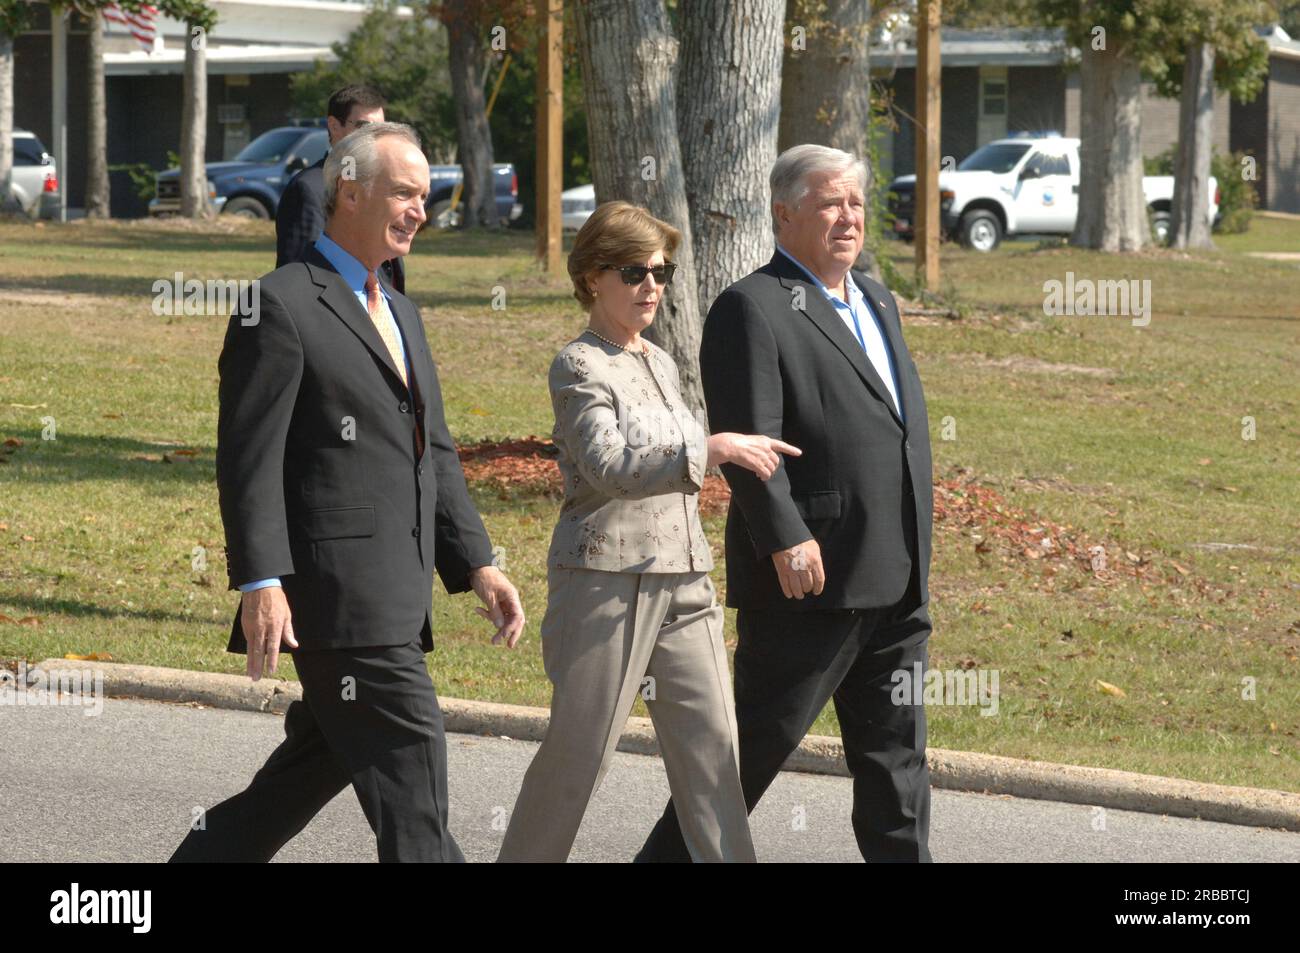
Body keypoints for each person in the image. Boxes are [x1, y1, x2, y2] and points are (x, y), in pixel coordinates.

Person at [170, 122, 524, 863]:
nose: (420, 210)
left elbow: (435, 452)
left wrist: (477, 561)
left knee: (300, 780)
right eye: (404, 192)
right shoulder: (281, 302)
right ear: (351, 192)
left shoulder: (401, 308)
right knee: (414, 781)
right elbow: (247, 459)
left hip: (397, 591)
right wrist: (260, 578)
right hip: (337, 600)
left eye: (425, 196)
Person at [636, 144, 936, 863]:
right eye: (831, 202)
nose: (849, 216)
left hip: (896, 577)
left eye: (857, 202)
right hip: (811, 578)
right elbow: (749, 444)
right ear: (784, 213)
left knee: (897, 766)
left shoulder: (876, 297)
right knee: (744, 760)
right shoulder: (753, 307)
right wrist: (785, 538)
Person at [496, 201, 798, 863]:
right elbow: (608, 466)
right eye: (635, 271)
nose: (652, 285)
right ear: (594, 277)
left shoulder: (660, 362)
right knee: (578, 760)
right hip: (607, 584)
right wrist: (708, 450)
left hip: (685, 581)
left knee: (716, 759)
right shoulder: (579, 366)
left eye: (660, 271)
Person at [275, 84, 405, 294]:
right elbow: (298, 274)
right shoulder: (309, 188)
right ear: (334, 126)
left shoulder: (380, 184)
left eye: (380, 130)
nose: (373, 137)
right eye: (364, 127)